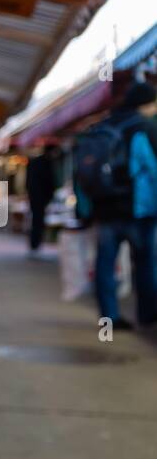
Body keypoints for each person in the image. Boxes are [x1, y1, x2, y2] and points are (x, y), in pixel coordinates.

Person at [73, 80, 157, 329]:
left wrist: (85, 208)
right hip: (138, 208)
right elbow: (152, 168)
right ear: (147, 103)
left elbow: (82, 173)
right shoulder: (144, 128)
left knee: (105, 263)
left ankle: (109, 318)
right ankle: (147, 314)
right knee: (145, 262)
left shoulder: (103, 125)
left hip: (104, 207)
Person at [26, 145, 60, 253]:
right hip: (41, 197)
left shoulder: (34, 162)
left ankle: (34, 243)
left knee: (36, 220)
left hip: (34, 196)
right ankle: (36, 243)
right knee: (38, 220)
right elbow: (50, 180)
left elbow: (28, 181)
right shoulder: (46, 163)